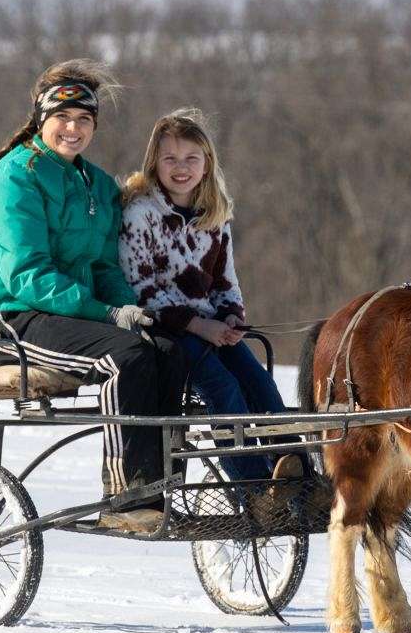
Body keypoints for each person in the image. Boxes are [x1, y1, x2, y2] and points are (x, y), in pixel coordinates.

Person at [0, 59, 184, 534]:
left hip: (77, 316)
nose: (73, 128)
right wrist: (106, 313)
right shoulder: (13, 178)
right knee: (125, 358)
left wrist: (130, 310)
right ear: (41, 119)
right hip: (17, 319)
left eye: (85, 119)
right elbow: (26, 275)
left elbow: (104, 266)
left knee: (168, 349)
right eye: (62, 117)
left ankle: (162, 490)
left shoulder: (97, 184)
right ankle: (125, 499)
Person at [118, 109, 301, 485]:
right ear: (154, 162)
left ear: (206, 164)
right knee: (224, 388)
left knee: (260, 384)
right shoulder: (141, 214)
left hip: (210, 328)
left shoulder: (214, 215)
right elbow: (142, 292)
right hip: (163, 331)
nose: (181, 168)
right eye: (170, 159)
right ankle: (253, 487)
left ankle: (295, 474)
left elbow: (225, 282)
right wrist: (199, 325)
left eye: (191, 158)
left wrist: (231, 316)